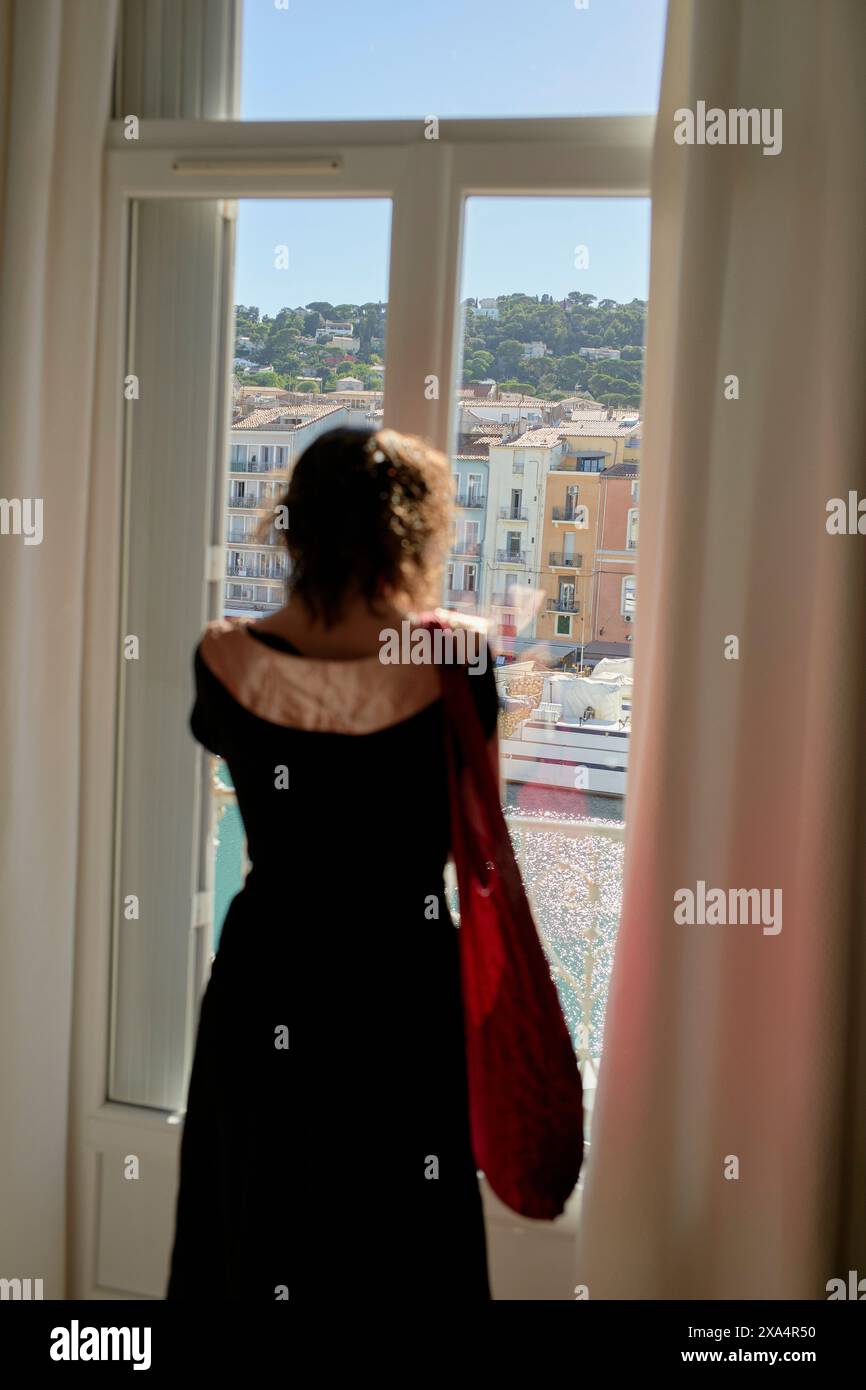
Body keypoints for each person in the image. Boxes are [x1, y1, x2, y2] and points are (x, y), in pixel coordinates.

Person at [167, 427, 499, 1301]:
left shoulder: (224, 661)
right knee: (401, 1241)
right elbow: (478, 824)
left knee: (260, 1219)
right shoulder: (456, 660)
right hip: (403, 981)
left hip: (272, 976)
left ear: (295, 528)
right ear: (411, 533)